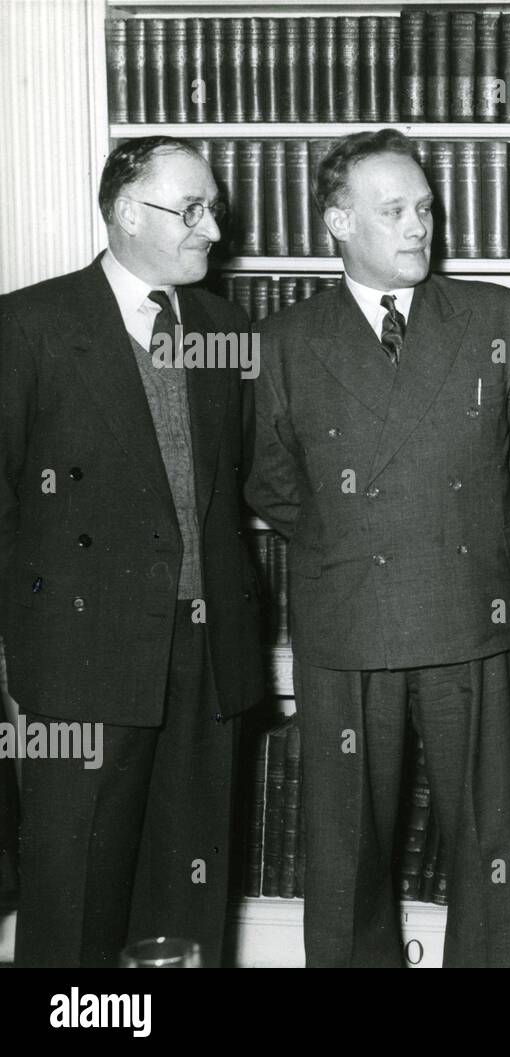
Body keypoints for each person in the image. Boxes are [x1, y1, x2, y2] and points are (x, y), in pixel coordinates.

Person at [244, 129, 510, 967]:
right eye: (394, 211)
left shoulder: (496, 316)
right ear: (337, 223)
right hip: (347, 622)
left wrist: (475, 534)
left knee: (490, 848)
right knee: (345, 855)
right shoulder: (282, 340)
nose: (419, 226)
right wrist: (356, 535)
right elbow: (270, 480)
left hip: (469, 612)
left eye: (425, 208)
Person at [0, 136, 264, 966]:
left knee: (187, 907)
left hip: (205, 658)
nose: (211, 229)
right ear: (124, 212)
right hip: (81, 661)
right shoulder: (28, 325)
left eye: (212, 208)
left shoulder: (225, 329)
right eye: (190, 210)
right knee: (74, 904)